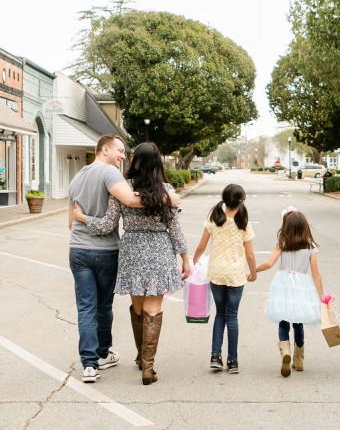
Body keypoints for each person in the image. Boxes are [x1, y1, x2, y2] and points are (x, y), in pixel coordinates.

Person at [67, 134, 180, 385]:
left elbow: (104, 223)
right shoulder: (164, 191)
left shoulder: (111, 184)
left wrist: (83, 219)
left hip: (119, 250)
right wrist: (185, 255)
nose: (121, 155)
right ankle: (142, 364)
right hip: (152, 250)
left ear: (135, 161)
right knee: (144, 308)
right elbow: (174, 227)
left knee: (125, 308)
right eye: (119, 150)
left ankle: (122, 358)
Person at [191, 183, 257, 374]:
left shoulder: (214, 218)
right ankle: (233, 361)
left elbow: (202, 246)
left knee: (220, 314)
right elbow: (250, 255)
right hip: (236, 274)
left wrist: (195, 263)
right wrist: (253, 273)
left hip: (217, 273)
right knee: (232, 316)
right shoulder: (243, 222)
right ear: (241, 201)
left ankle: (215, 356)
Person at [254, 207, 323, 378]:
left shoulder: (282, 242)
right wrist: (322, 296)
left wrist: (253, 271)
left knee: (283, 322)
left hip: (283, 283)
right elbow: (315, 273)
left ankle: (285, 350)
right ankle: (298, 360)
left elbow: (270, 263)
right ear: (304, 227)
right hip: (301, 284)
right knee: (298, 322)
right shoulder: (310, 246)